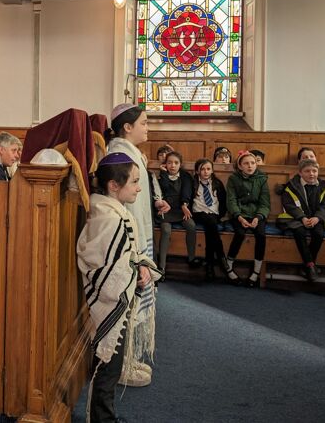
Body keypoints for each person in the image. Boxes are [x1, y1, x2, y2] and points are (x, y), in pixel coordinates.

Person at [77, 152, 161, 423]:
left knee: (111, 364)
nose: (139, 187)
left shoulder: (115, 211)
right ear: (114, 185)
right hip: (110, 302)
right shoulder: (108, 218)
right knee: (108, 367)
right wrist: (135, 271)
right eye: (135, 182)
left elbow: (128, 252)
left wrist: (141, 265)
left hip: (120, 297)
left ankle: (106, 416)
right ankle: (101, 419)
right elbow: (99, 263)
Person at [105, 103, 163, 387]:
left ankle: (129, 358)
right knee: (128, 301)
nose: (147, 127)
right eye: (144, 122)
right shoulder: (120, 154)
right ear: (127, 127)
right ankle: (121, 366)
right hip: (131, 237)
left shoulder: (131, 153)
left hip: (139, 233)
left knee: (136, 299)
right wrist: (136, 250)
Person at [277, 159, 325, 282]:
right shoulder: (292, 186)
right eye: (307, 171)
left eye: (314, 171)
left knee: (319, 233)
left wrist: (317, 218)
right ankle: (310, 265)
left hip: (316, 218)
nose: (311, 174)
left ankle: (307, 265)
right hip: (296, 218)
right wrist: (303, 218)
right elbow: (289, 205)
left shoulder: (323, 186)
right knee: (299, 232)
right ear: (300, 173)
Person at [225, 151, 270, 287]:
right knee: (239, 233)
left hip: (257, 214)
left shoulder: (262, 179)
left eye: (253, 163)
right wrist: (238, 216)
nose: (250, 166)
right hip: (239, 213)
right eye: (246, 163)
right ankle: (229, 266)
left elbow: (265, 203)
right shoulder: (233, 179)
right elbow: (231, 200)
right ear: (240, 166)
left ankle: (256, 272)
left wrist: (258, 217)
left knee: (261, 235)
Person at [157, 151, 202, 271]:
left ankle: (191, 258)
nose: (172, 165)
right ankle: (162, 266)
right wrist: (163, 173)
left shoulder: (185, 176)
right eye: (169, 162)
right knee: (166, 230)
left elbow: (187, 192)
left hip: (182, 208)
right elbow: (164, 188)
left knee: (191, 226)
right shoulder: (161, 176)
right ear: (165, 164)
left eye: (176, 163)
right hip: (165, 210)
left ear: (180, 164)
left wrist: (184, 204)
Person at [191, 158, 228, 281]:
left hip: (213, 215)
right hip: (198, 214)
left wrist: (220, 216)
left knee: (210, 230)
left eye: (208, 169)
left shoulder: (217, 183)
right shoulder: (193, 183)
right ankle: (221, 256)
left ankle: (210, 266)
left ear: (212, 170)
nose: (206, 172)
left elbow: (223, 202)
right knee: (210, 224)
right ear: (197, 171)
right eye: (202, 169)